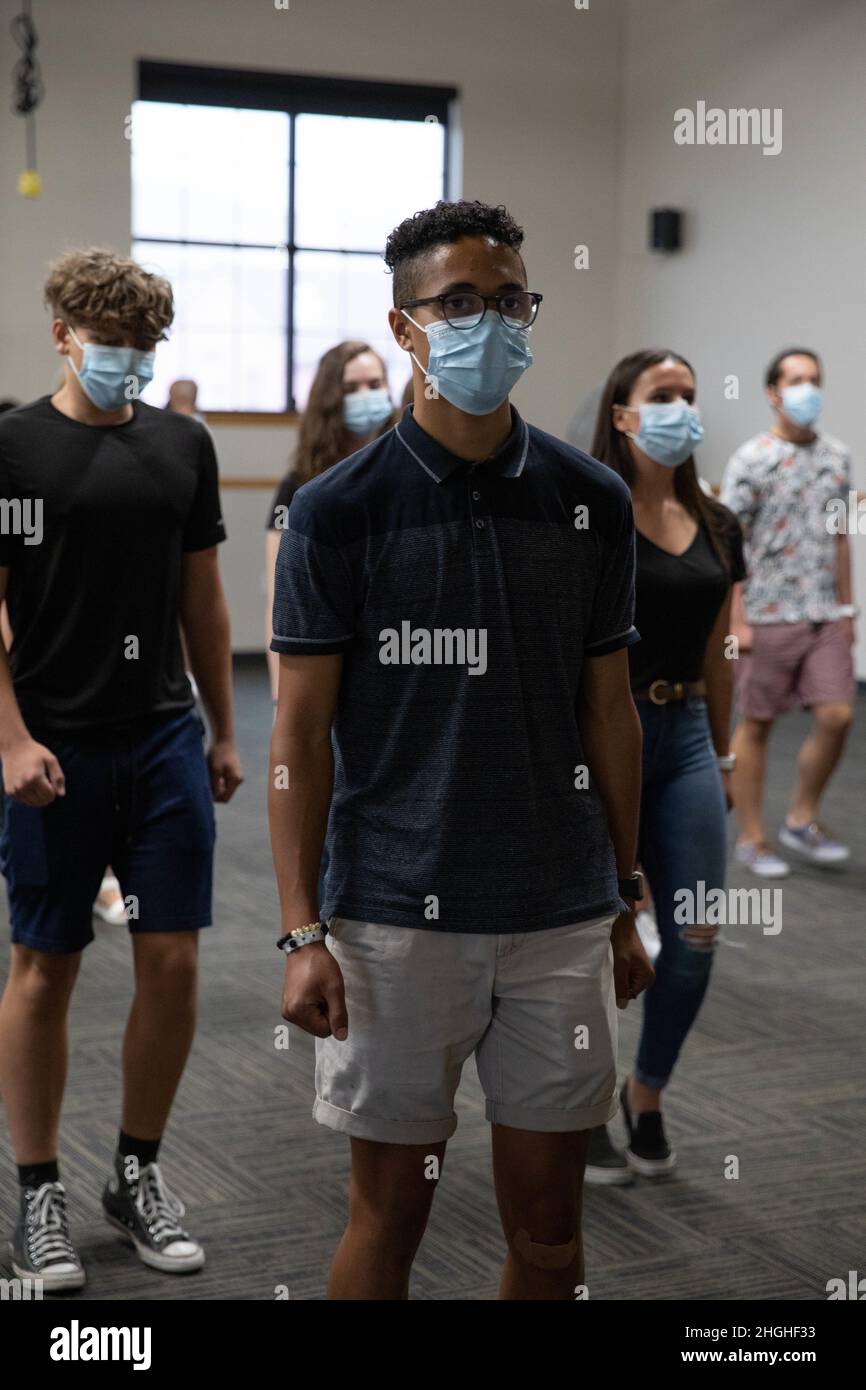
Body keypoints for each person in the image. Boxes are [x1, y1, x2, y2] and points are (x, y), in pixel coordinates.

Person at [268, 198, 653, 1301]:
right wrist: (302, 929)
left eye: (510, 299)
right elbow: (298, 737)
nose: (492, 320)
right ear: (406, 327)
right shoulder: (335, 511)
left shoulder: (591, 500)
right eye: (462, 302)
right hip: (395, 917)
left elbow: (610, 714)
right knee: (390, 1218)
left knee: (549, 1228)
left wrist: (624, 894)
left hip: (557, 912)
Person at [0, 247, 242, 1292]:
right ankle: (37, 1189)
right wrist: (10, 740)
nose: (129, 360)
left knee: (173, 961)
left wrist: (224, 730)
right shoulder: (12, 448)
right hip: (54, 739)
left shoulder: (183, 445)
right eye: (111, 342)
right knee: (46, 965)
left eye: (145, 345)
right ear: (64, 336)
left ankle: (135, 1172)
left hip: (163, 736)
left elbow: (204, 599)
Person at [585, 350, 746, 1184]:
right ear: (622, 415)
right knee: (589, 938)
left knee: (697, 934)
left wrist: (723, 752)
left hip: (683, 732)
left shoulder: (718, 521)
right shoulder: (591, 512)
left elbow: (721, 649)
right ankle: (581, 1107)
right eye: (662, 395)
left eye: (689, 394)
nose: (681, 407)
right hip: (600, 734)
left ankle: (645, 1092)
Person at [721, 349, 856, 878]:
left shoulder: (837, 457)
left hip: (824, 611)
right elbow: (730, 543)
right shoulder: (751, 459)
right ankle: (752, 838)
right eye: (796, 380)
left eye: (814, 379)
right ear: (773, 392)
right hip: (766, 612)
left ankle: (801, 817)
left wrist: (848, 608)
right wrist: (736, 619)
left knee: (838, 715)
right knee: (757, 723)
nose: (807, 388)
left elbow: (841, 536)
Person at [264, 342, 394, 703]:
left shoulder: (406, 473)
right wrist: (281, 698)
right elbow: (279, 600)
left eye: (374, 384)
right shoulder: (299, 486)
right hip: (326, 663)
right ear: (330, 398)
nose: (365, 396)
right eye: (351, 388)